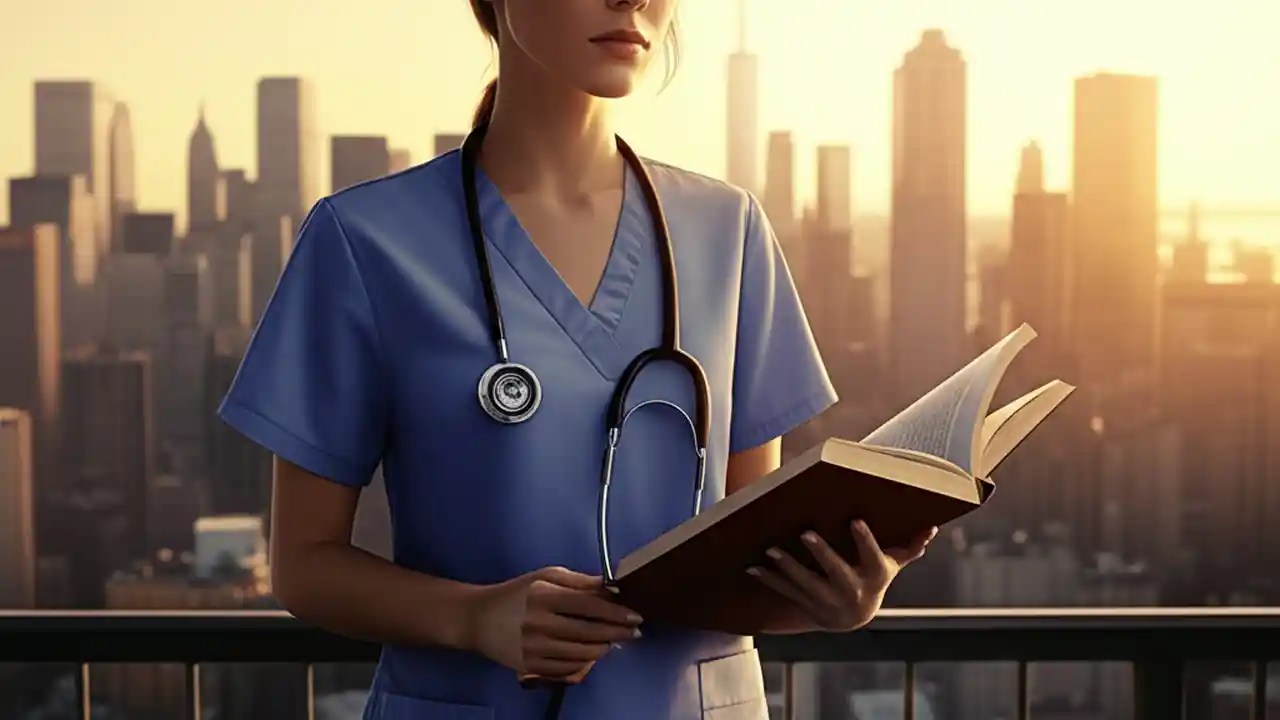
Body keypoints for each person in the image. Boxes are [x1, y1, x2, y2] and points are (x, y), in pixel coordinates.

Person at [216, 1, 937, 717]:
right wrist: (472, 618)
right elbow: (304, 566)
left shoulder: (728, 231)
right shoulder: (365, 241)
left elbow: (745, 559)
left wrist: (837, 598)